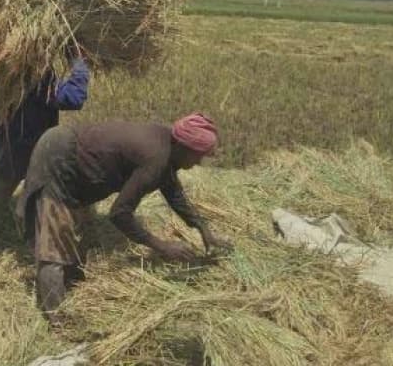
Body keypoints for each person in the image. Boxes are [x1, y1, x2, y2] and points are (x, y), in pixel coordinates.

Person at [15, 113, 232, 318]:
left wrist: (202, 227)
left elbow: (172, 189)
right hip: (59, 156)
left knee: (74, 234)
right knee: (54, 247)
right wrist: (160, 245)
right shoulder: (156, 157)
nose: (197, 164)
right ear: (185, 147)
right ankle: (56, 318)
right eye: (198, 157)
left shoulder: (168, 145)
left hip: (70, 154)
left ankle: (69, 285)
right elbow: (119, 213)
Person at [0, 53, 90, 256]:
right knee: (47, 206)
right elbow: (74, 98)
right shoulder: (36, 78)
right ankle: (45, 256)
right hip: (36, 153)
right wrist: (78, 64)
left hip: (4, 152)